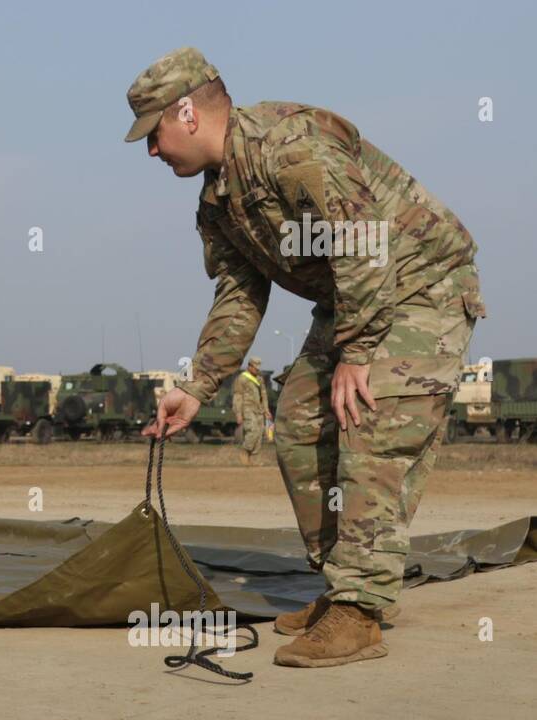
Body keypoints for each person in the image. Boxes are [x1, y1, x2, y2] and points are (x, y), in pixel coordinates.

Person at [127, 48, 485, 667]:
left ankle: (361, 608)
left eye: (152, 134)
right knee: (296, 423)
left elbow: (363, 239)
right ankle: (347, 586)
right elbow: (240, 293)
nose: (151, 152)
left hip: (419, 285)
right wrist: (199, 385)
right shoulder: (219, 201)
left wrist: (359, 350)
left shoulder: (290, 146)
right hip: (357, 301)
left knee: (367, 416)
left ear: (186, 113)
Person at [231, 356, 271, 465]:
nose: (257, 370)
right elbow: (237, 396)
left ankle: (249, 458)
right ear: (249, 366)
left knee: (259, 434)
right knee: (252, 430)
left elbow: (264, 395)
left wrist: (266, 410)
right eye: (255, 367)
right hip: (247, 408)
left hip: (259, 409)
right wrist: (238, 414)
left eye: (258, 368)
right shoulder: (242, 378)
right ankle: (244, 452)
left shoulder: (259, 379)